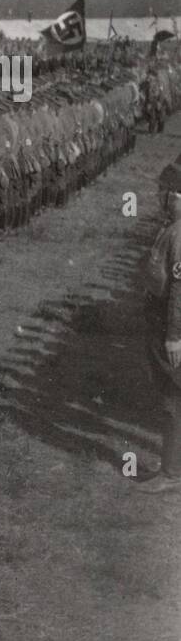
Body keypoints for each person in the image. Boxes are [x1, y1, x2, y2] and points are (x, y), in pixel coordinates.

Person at [141, 164, 181, 493]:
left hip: (171, 327)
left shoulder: (179, 234)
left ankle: (171, 472)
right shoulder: (174, 228)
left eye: (170, 195)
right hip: (166, 321)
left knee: (173, 399)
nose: (165, 200)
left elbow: (179, 291)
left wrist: (173, 336)